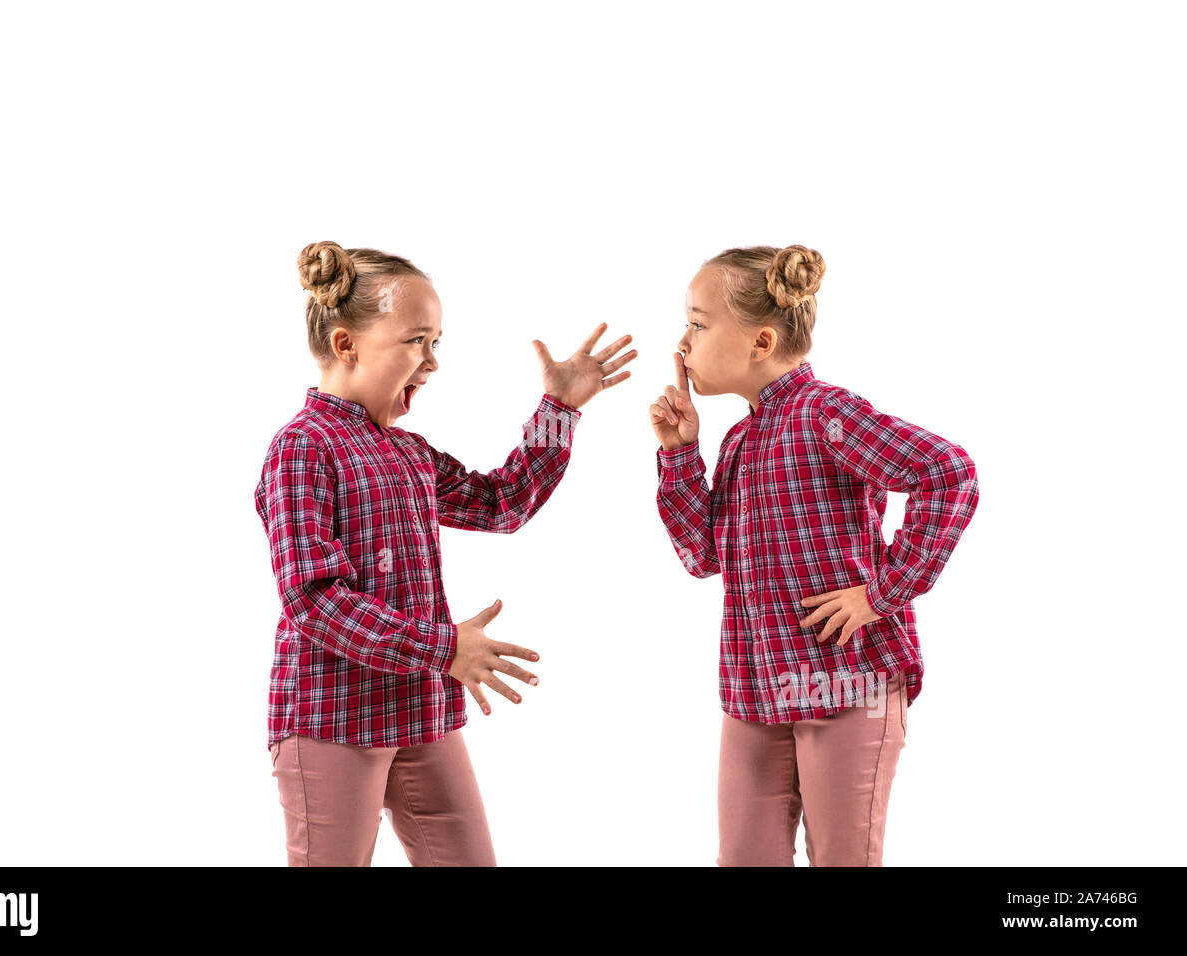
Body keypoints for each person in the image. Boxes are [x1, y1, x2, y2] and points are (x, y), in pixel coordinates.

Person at [256, 241, 636, 866]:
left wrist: (559, 409)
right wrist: (444, 647)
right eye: (416, 341)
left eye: (436, 343)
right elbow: (313, 600)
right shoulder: (300, 448)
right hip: (332, 714)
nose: (431, 362)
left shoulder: (408, 452)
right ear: (346, 345)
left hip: (419, 710)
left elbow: (501, 503)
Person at [651, 244, 979, 866]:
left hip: (848, 684)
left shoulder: (826, 414)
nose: (683, 343)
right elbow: (701, 554)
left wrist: (882, 593)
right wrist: (680, 453)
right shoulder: (741, 439)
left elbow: (950, 472)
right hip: (754, 692)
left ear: (762, 341)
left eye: (697, 323)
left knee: (843, 859)